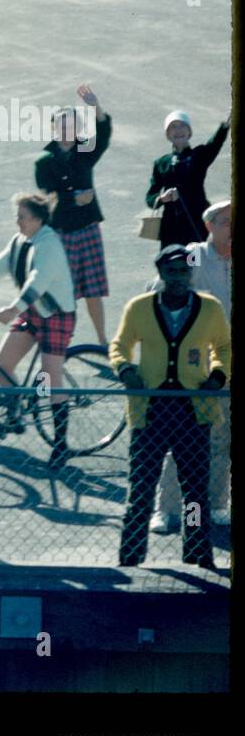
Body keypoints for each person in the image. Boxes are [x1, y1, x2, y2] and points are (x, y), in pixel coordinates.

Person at [112, 246, 229, 569]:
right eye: (171, 271)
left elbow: (224, 346)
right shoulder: (139, 308)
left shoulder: (209, 309)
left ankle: (196, 557)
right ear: (160, 273)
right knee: (141, 490)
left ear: (190, 274)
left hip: (193, 413)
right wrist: (125, 369)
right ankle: (131, 560)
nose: (178, 277)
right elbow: (119, 345)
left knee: (195, 493)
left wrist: (218, 376)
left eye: (183, 271)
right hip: (150, 412)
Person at [0, 193, 76, 473]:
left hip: (56, 313)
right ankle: (14, 416)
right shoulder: (19, 241)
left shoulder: (49, 244)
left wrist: (14, 308)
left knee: (51, 378)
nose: (17, 220)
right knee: (2, 364)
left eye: (22, 216)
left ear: (37, 219)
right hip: (33, 311)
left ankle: (61, 446)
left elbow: (39, 280)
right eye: (17, 215)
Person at [34, 85, 112, 344]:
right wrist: (74, 198)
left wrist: (95, 107)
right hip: (61, 232)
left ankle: (102, 340)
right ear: (54, 128)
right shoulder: (44, 161)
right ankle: (64, 340)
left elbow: (103, 135)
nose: (68, 130)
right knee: (63, 290)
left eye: (72, 125)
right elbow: (47, 197)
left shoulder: (85, 151)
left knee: (93, 291)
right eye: (63, 125)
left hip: (87, 227)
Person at [146, 111, 230, 249]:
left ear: (189, 132)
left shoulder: (199, 156)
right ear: (167, 134)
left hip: (196, 224)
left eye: (182, 126)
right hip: (171, 229)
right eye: (173, 127)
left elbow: (215, 143)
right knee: (173, 264)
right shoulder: (161, 163)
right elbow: (150, 198)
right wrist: (161, 198)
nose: (178, 130)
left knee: (196, 263)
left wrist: (225, 125)